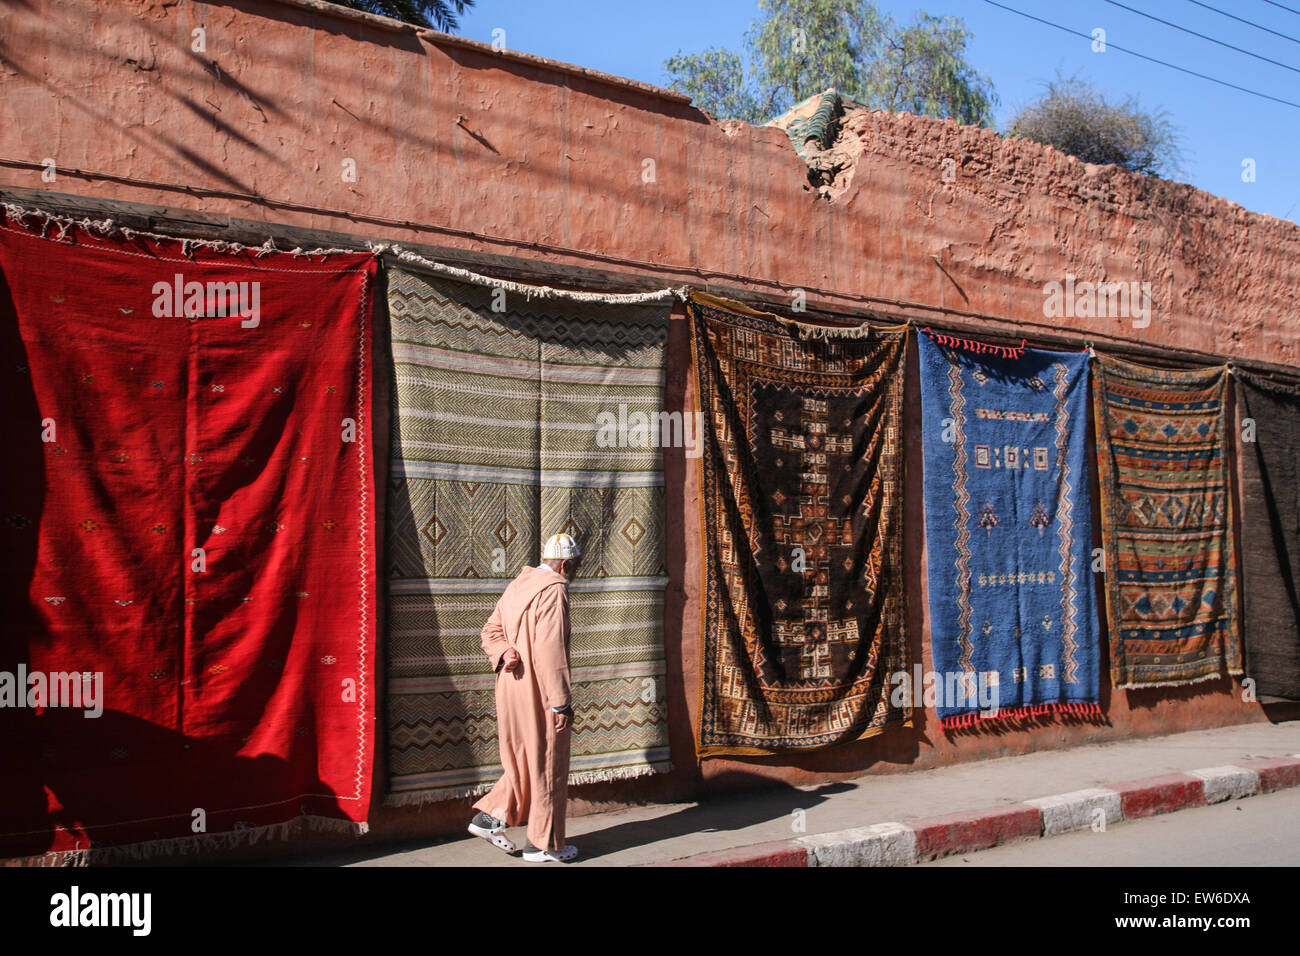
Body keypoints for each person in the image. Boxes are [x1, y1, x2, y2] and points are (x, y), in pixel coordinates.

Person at [467, 533, 582, 862]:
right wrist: (561, 700)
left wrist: (505, 653)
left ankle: (489, 818)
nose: (573, 573)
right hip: (539, 690)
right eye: (574, 566)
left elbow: (490, 630)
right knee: (548, 763)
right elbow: (550, 649)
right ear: (564, 564)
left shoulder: (519, 584)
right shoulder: (554, 589)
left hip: (509, 686)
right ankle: (545, 845)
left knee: (523, 759)